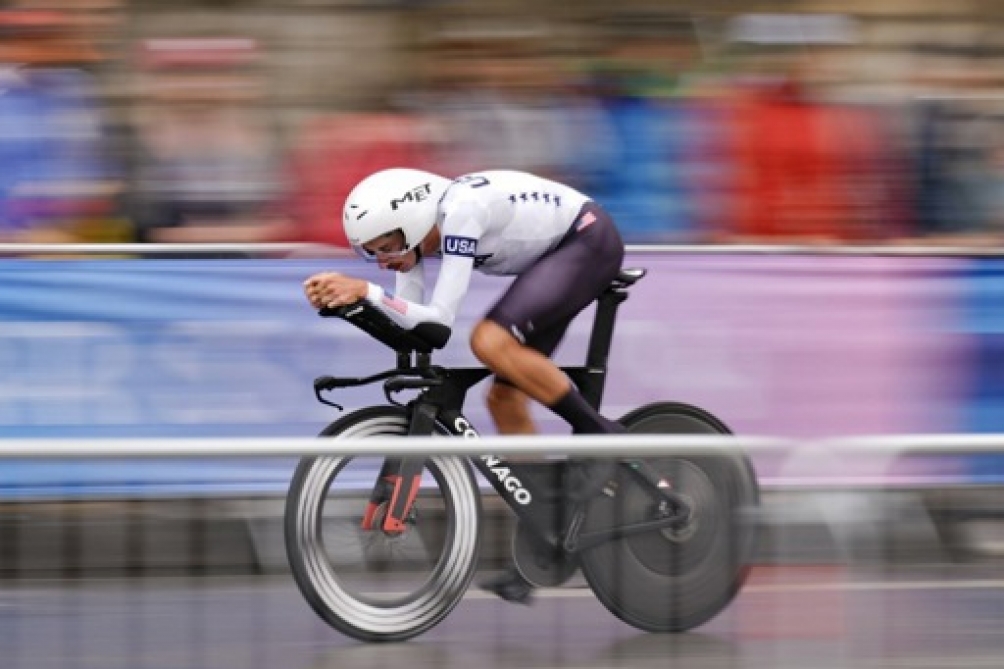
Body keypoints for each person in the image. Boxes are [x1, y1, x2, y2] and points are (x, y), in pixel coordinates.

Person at [303, 167, 626, 604]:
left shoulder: (460, 213)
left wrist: (365, 291)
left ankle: (603, 436)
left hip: (586, 240)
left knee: (488, 341)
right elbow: (412, 323)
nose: (383, 261)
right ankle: (548, 523)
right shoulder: (418, 240)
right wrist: (357, 302)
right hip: (557, 255)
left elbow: (437, 323)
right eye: (371, 254)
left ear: (414, 222)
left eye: (387, 247)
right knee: (503, 398)